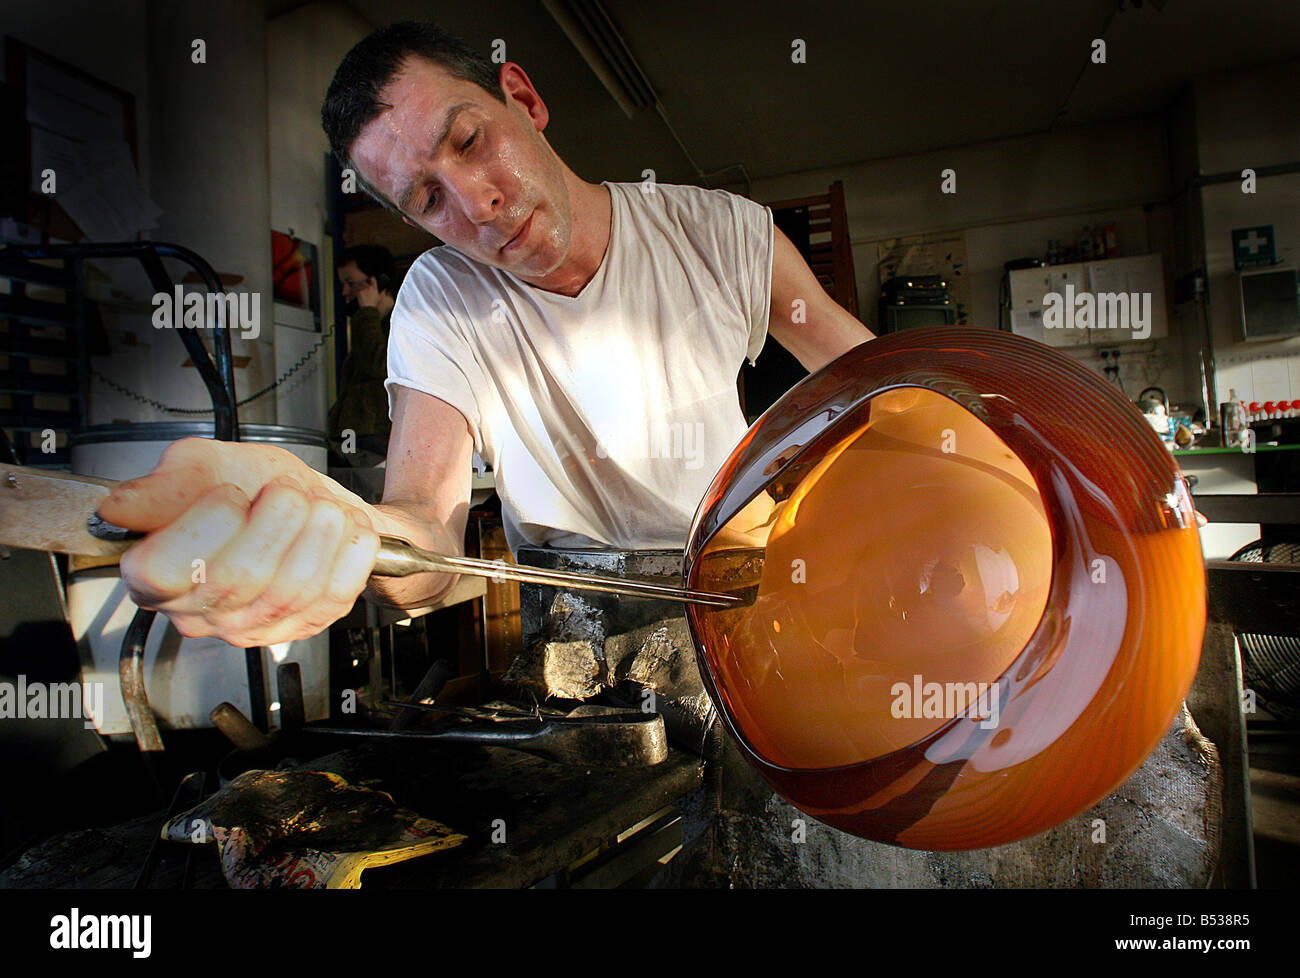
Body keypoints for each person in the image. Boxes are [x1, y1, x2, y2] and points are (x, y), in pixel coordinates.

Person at [98, 22, 874, 648]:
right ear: (409, 220)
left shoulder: (720, 234)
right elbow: (426, 535)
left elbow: (878, 386)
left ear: (523, 100)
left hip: (745, 600)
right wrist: (352, 534)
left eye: (470, 142)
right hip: (577, 647)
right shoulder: (440, 302)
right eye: (428, 198)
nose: (478, 205)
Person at [329, 244, 397, 460]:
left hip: (378, 442)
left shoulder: (403, 324)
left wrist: (367, 311)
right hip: (356, 440)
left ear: (378, 281)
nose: (345, 292)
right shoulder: (367, 325)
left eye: (351, 283)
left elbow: (379, 365)